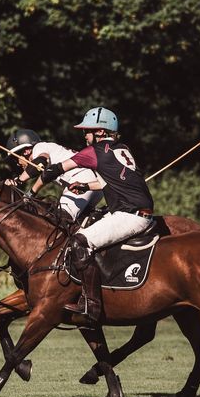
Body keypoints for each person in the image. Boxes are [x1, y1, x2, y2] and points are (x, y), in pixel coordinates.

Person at [39, 106, 155, 326]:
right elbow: (110, 182)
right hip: (138, 212)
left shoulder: (94, 152)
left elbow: (57, 170)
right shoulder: (122, 149)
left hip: (129, 215)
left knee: (79, 241)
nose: (84, 135)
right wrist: (84, 185)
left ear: (100, 132)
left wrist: (43, 169)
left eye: (87, 131)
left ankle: (90, 304)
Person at [4, 128, 102, 223]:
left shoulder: (39, 147)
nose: (17, 163)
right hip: (91, 183)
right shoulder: (51, 150)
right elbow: (45, 177)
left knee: (58, 221)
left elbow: (39, 164)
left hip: (81, 178)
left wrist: (18, 181)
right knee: (78, 225)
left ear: (26, 151)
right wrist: (30, 194)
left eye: (16, 158)